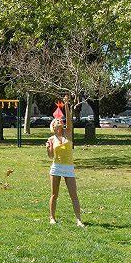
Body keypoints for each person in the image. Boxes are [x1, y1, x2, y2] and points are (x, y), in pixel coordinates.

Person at [46, 96, 84, 227]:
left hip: (68, 168)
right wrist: (49, 148)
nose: (59, 121)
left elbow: (69, 120)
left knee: (74, 195)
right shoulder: (51, 139)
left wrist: (66, 105)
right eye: (57, 121)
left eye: (60, 120)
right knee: (54, 194)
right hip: (56, 167)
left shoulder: (68, 134)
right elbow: (51, 156)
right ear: (53, 126)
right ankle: (52, 217)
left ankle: (79, 220)